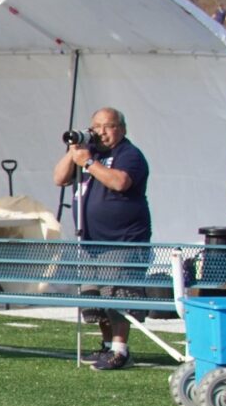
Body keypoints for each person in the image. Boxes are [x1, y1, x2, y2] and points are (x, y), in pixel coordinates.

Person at [51, 107, 151, 371]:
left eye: (108, 126)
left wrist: (88, 163)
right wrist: (74, 153)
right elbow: (59, 178)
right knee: (97, 298)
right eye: (96, 126)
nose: (101, 132)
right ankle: (107, 346)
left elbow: (120, 183)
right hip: (90, 240)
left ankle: (121, 350)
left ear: (122, 128)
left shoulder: (129, 155)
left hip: (122, 238)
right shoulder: (88, 152)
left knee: (117, 293)